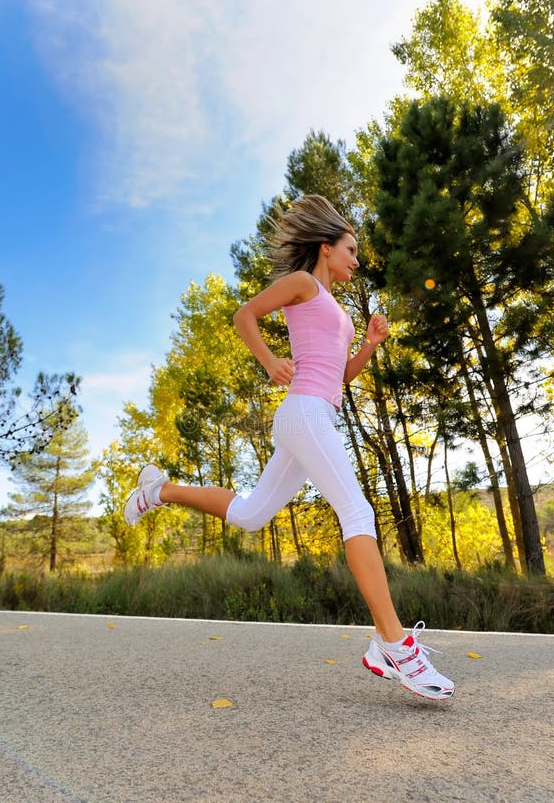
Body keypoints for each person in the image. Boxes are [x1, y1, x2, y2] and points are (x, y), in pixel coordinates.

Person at [124, 195, 454, 701]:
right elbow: (244, 316)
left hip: (317, 414)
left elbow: (339, 376)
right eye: (351, 249)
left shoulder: (340, 313)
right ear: (326, 248)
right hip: (302, 413)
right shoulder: (302, 285)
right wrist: (268, 360)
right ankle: (393, 642)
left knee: (253, 514)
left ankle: (160, 489)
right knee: (358, 513)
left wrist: (367, 344)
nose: (356, 259)